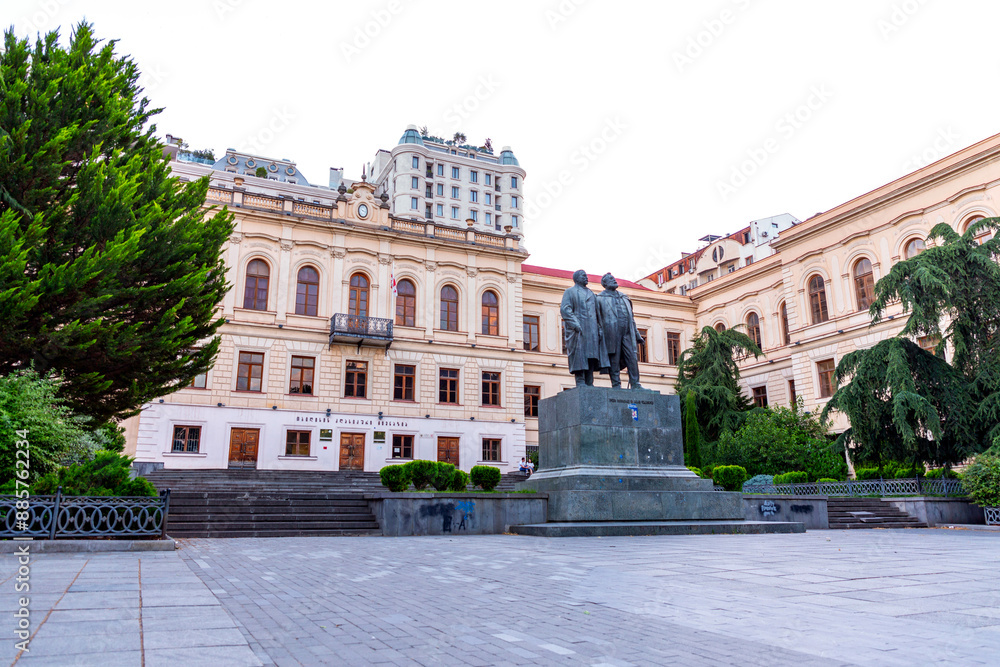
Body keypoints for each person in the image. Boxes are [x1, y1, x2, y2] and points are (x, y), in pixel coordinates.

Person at [559, 270, 609, 387]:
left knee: (591, 356)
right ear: (576, 278)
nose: (586, 277)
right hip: (578, 329)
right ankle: (580, 381)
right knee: (579, 356)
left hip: (592, 330)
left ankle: (589, 381)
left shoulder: (591, 294)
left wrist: (600, 328)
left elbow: (598, 314)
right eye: (583, 276)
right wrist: (575, 324)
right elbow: (565, 309)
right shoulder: (570, 292)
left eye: (586, 275)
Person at [595, 273, 643, 389]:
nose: (614, 280)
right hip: (611, 333)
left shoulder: (624, 297)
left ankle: (635, 384)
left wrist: (637, 335)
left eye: (614, 278)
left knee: (632, 357)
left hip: (627, 332)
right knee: (614, 359)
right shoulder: (599, 298)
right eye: (611, 279)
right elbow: (596, 319)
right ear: (605, 284)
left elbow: (632, 318)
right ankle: (616, 384)